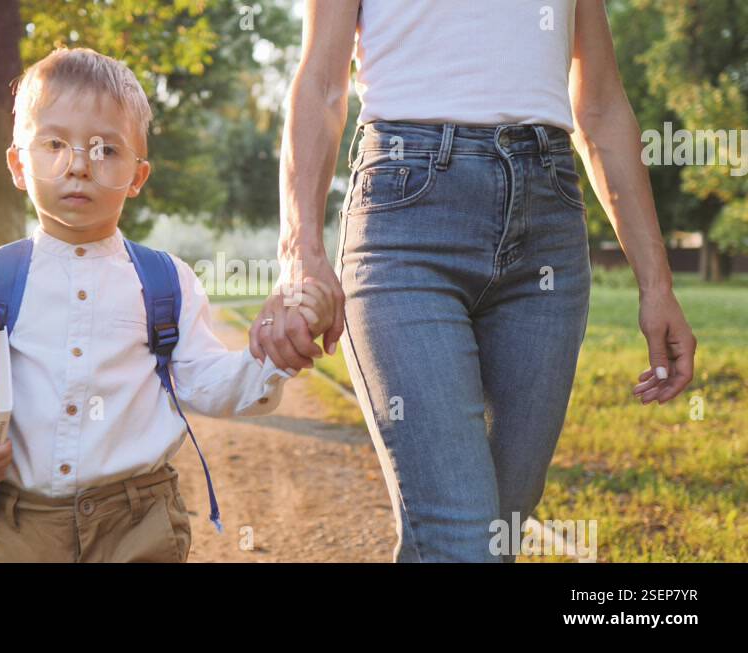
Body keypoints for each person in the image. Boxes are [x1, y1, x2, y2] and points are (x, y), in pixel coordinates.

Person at [250, 0, 697, 562]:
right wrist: (300, 252)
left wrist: (657, 286)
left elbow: (602, 105)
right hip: (405, 215)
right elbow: (321, 82)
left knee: (500, 527)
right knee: (461, 537)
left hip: (548, 222)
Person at [0, 46, 334, 563]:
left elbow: (203, 381)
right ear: (18, 164)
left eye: (106, 149)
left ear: (137, 176)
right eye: (55, 143)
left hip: (139, 521)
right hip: (20, 527)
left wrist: (267, 357)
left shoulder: (165, 280)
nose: (79, 165)